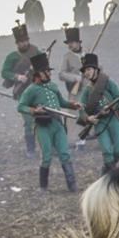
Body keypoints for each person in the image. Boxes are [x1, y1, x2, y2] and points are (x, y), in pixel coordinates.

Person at [16, 51, 79, 190]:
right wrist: (34, 111)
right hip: (43, 127)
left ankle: (72, 186)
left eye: (49, 72)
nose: (50, 74)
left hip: (57, 124)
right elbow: (20, 106)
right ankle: (43, 187)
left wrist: (72, 105)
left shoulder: (53, 86)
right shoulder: (31, 90)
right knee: (46, 157)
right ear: (38, 74)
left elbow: (61, 102)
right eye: (46, 72)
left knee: (64, 154)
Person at [75, 53, 119, 174]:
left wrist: (110, 108)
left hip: (113, 118)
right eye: (85, 71)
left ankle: (107, 170)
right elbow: (81, 109)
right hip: (99, 122)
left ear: (95, 69)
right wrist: (89, 118)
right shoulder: (87, 90)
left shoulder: (108, 82)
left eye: (88, 69)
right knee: (107, 151)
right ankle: (110, 175)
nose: (86, 73)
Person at [2, 22, 40, 156]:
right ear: (17, 43)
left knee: (45, 117)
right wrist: (17, 77)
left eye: (26, 41)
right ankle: (31, 149)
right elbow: (4, 73)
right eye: (21, 42)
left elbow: (43, 67)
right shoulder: (12, 57)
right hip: (22, 93)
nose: (24, 44)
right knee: (29, 121)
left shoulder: (35, 51)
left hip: (37, 90)